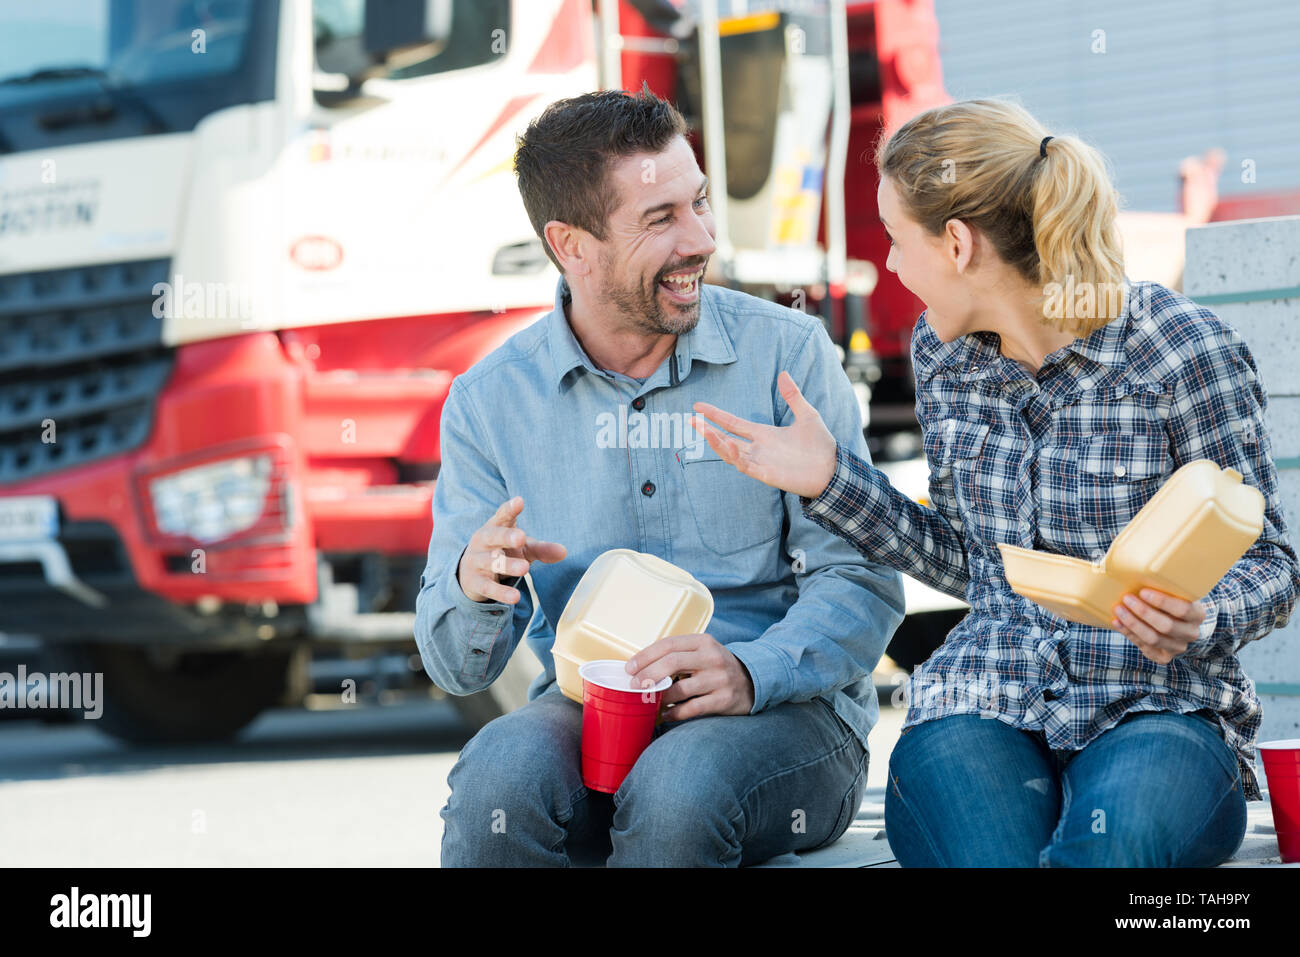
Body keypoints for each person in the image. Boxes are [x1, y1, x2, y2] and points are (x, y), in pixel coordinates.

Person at [691, 98, 1300, 867]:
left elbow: (1273, 568)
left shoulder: (1180, 350)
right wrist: (831, 479)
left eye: (894, 238)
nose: (888, 264)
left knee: (1111, 852)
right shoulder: (945, 355)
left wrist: (1202, 617)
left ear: (956, 243)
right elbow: (975, 565)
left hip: (1161, 707)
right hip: (984, 703)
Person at [415, 87, 905, 867]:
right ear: (571, 244)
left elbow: (865, 580)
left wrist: (751, 669)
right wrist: (475, 591)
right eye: (660, 219)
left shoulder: (788, 356)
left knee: (679, 792)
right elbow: (455, 664)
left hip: (788, 716)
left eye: (700, 203)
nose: (701, 238)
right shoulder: (489, 401)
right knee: (494, 790)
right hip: (589, 712)